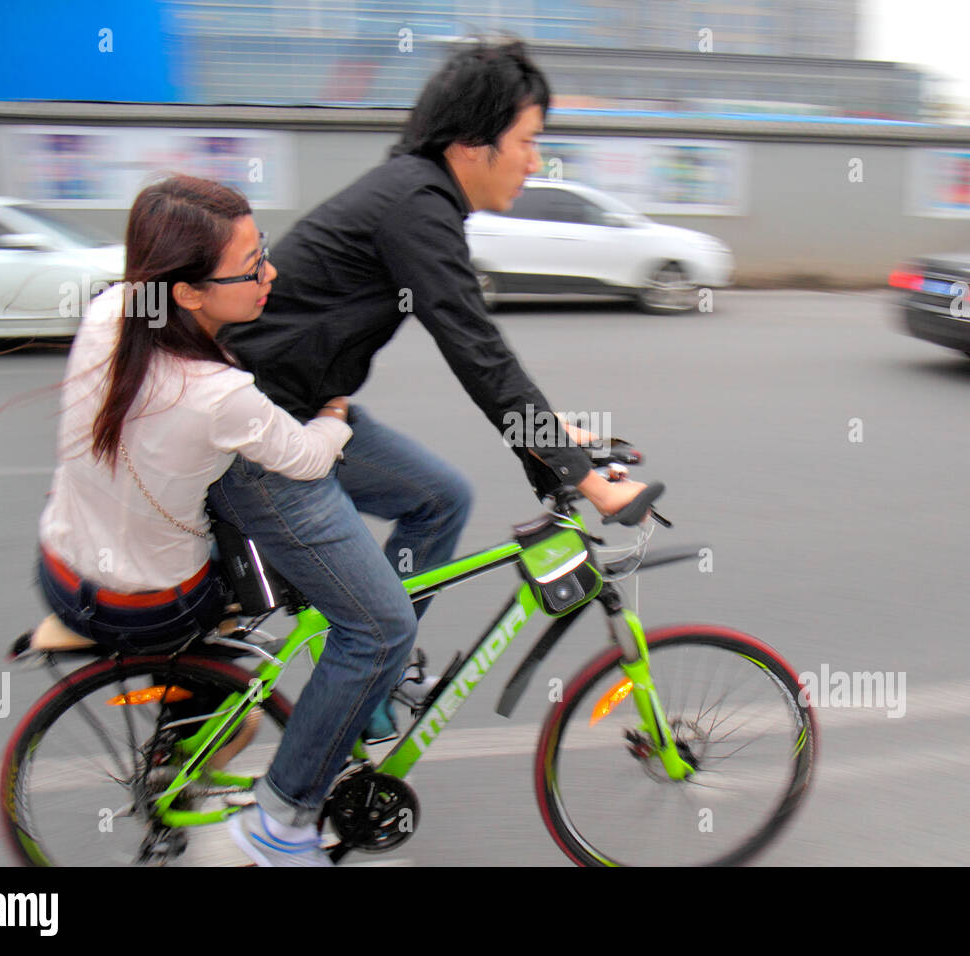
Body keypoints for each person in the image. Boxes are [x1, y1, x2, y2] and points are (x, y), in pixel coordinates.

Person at [210, 39, 648, 866]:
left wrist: (558, 445)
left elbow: (481, 357)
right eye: (526, 140)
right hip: (259, 435)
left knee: (438, 497)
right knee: (373, 627)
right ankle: (278, 824)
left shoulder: (416, 193)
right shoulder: (416, 205)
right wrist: (581, 474)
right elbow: (476, 350)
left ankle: (365, 698)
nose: (532, 160)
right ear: (472, 144)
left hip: (303, 408)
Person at [36, 174, 353, 655]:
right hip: (152, 609)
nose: (270, 273)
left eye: (262, 251)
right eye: (252, 267)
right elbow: (309, 458)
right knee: (259, 561)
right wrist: (335, 413)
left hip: (58, 573)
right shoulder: (219, 393)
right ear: (186, 293)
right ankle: (204, 698)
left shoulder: (109, 310)